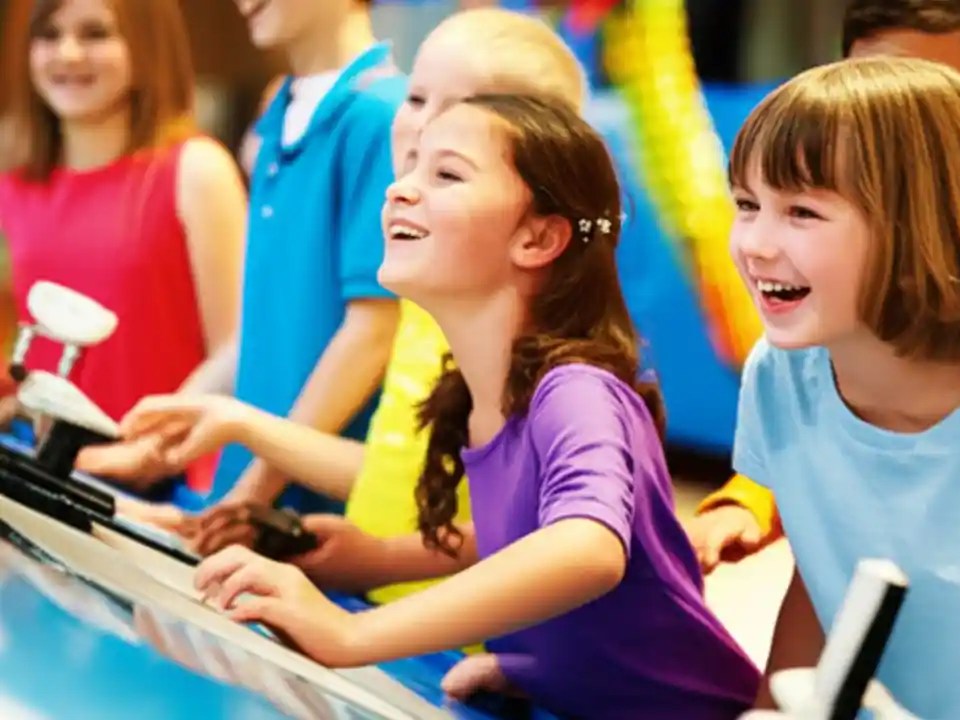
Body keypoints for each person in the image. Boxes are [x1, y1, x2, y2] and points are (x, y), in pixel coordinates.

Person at [189, 93, 760, 720]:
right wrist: (381, 557)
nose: (398, 191)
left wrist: (348, 637)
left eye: (446, 174)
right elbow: (527, 533)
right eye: (409, 168)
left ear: (538, 238)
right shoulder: (485, 390)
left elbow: (589, 549)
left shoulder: (576, 391)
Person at [84, 9, 589, 611]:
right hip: (352, 582)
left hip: (408, 624)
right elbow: (402, 473)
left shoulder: (538, 359)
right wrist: (213, 442)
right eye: (419, 101)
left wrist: (256, 475)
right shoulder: (433, 316)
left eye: (454, 127)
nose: (424, 134)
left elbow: (566, 542)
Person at [687, 0, 960, 574]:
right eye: (866, 87)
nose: (888, 129)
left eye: (924, 99)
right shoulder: (808, 306)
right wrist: (748, 501)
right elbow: (820, 424)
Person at [730, 58, 960, 717]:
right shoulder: (777, 373)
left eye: (801, 212)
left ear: (920, 224)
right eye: (746, 205)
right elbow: (820, 584)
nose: (755, 243)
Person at [0, 0, 245, 493]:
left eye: (95, 34)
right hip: (40, 463)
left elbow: (238, 345)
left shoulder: (196, 170)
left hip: (164, 481)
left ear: (147, 46)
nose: (68, 54)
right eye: (48, 35)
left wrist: (148, 444)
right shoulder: (17, 177)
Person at [190, 0, 403, 513]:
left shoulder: (385, 115)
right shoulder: (275, 121)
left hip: (313, 511)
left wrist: (258, 487)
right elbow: (260, 327)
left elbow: (372, 330)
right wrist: (164, 426)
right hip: (247, 496)